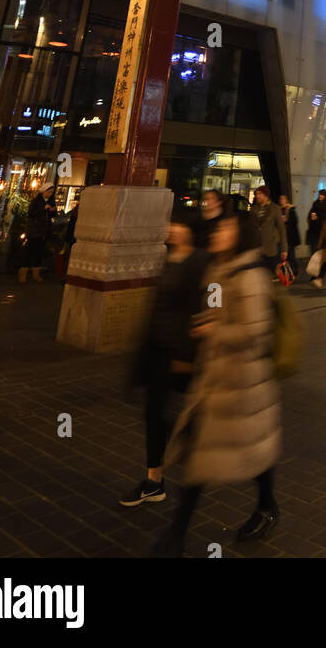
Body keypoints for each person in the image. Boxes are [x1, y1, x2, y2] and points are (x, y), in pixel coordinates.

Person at [151, 208, 280, 556]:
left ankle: (178, 533)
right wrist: (203, 326)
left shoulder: (250, 276)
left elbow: (254, 330)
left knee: (212, 452)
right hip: (215, 378)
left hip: (242, 382)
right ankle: (263, 505)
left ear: (240, 235)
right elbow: (212, 309)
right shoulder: (218, 268)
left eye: (225, 228)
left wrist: (214, 330)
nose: (218, 232)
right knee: (213, 451)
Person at [120, 211, 207, 507]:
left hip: (181, 355)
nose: (172, 229)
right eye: (171, 223)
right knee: (154, 415)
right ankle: (154, 481)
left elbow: (201, 309)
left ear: (190, 231)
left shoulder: (198, 263)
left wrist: (186, 355)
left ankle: (195, 458)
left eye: (178, 225)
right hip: (158, 351)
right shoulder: (168, 259)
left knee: (184, 418)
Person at [20, 183, 57, 282]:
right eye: (48, 192)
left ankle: (36, 273)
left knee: (39, 253)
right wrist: (43, 209)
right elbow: (31, 213)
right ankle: (23, 273)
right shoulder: (36, 201)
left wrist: (52, 210)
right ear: (43, 191)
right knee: (29, 251)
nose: (50, 194)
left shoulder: (51, 201)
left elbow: (54, 215)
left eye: (51, 192)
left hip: (44, 231)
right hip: (34, 230)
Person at [250, 185, 287, 275]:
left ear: (266, 196)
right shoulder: (253, 209)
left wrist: (284, 249)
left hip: (270, 249)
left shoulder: (275, 209)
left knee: (269, 275)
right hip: (256, 249)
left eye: (259, 194)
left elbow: (282, 230)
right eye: (256, 194)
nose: (257, 196)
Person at [278, 193, 301, 279]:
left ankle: (295, 271)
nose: (281, 200)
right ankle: (286, 273)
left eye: (283, 199)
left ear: (286, 200)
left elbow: (295, 221)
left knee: (291, 256)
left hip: (290, 236)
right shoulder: (279, 210)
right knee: (285, 257)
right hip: (282, 236)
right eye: (280, 199)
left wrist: (286, 221)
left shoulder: (291, 210)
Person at [305, 188, 326, 256]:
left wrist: (317, 218)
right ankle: (312, 263)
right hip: (313, 229)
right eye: (319, 194)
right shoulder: (315, 203)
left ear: (325, 196)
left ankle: (319, 264)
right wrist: (309, 217)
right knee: (312, 249)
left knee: (319, 249)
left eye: (322, 195)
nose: (320, 196)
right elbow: (310, 213)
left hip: (321, 230)